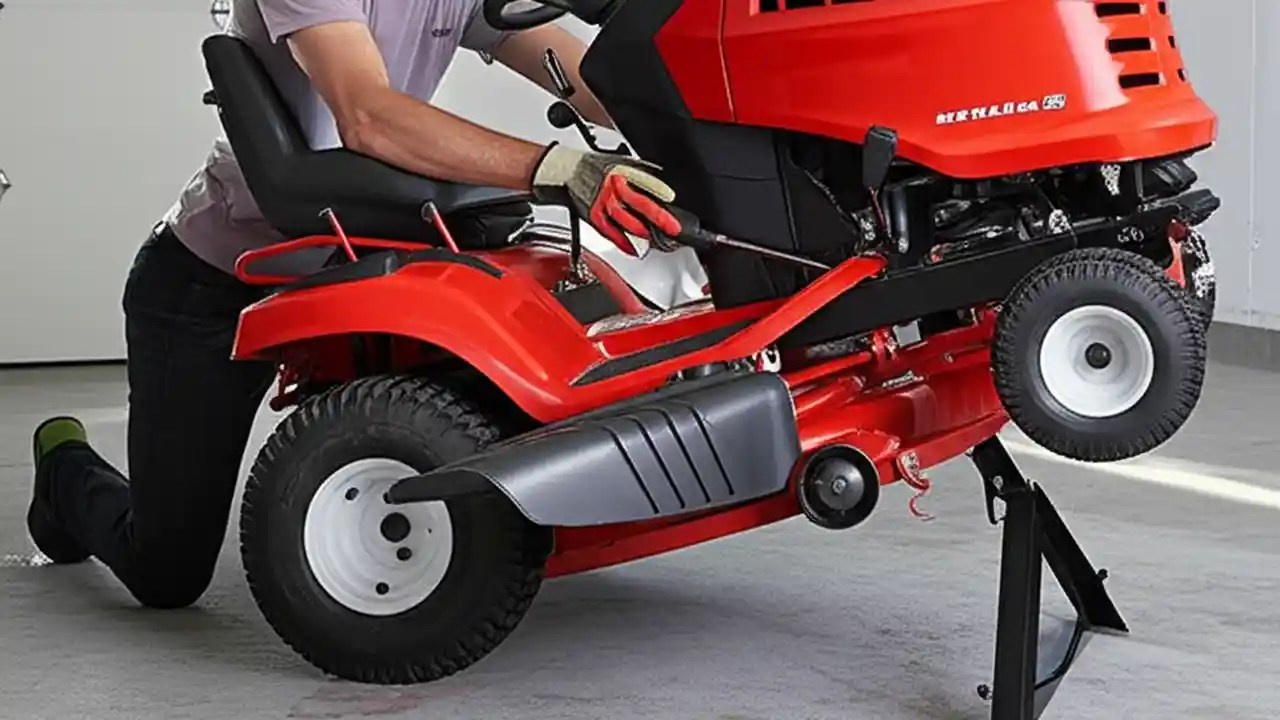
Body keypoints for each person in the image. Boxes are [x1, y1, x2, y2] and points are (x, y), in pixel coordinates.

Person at [26, 0, 682, 609]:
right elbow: (366, 115)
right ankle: (63, 468)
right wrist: (559, 167)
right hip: (213, 283)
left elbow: (577, 71)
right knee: (167, 570)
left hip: (343, 260)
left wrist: (699, 116)